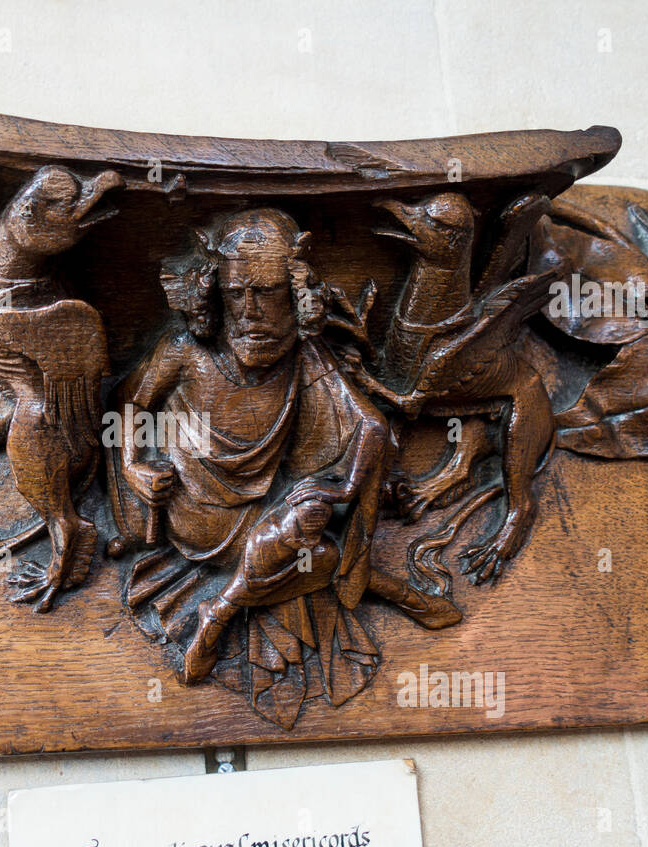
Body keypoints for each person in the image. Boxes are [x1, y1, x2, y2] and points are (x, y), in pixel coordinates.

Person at [108, 208, 459, 685]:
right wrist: (133, 465)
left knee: (315, 535)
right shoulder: (186, 351)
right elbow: (129, 405)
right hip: (198, 511)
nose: (250, 311)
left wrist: (345, 487)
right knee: (308, 542)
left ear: (294, 294)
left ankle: (219, 611)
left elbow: (370, 426)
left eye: (268, 292)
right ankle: (393, 592)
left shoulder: (300, 354)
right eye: (236, 293)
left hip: (267, 516)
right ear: (216, 292)